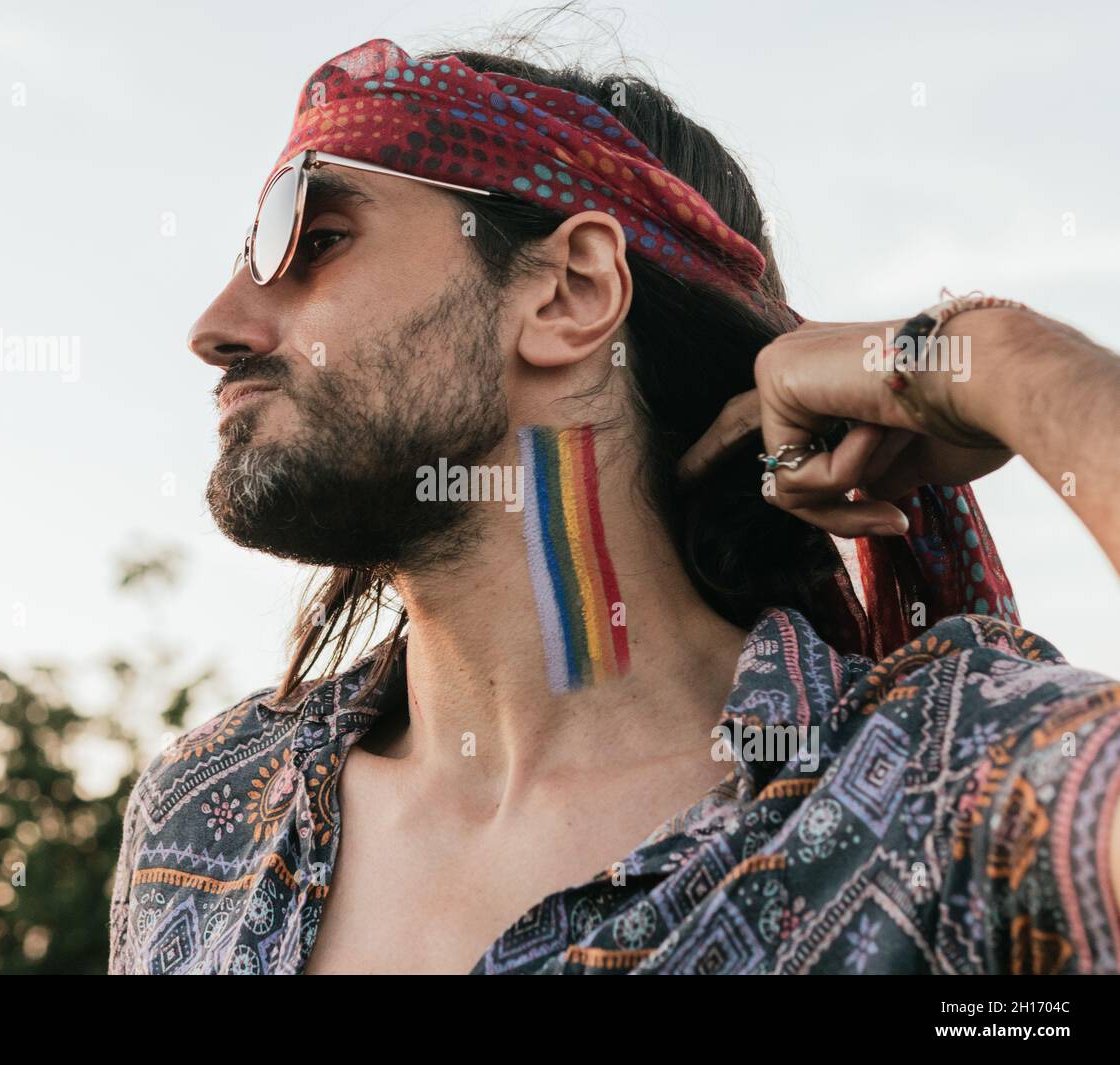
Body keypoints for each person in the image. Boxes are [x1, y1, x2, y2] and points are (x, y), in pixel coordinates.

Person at [108, 36, 1120, 975]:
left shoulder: (950, 787)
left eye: (310, 238)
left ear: (569, 293)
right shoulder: (199, 819)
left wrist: (995, 361)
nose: (216, 326)